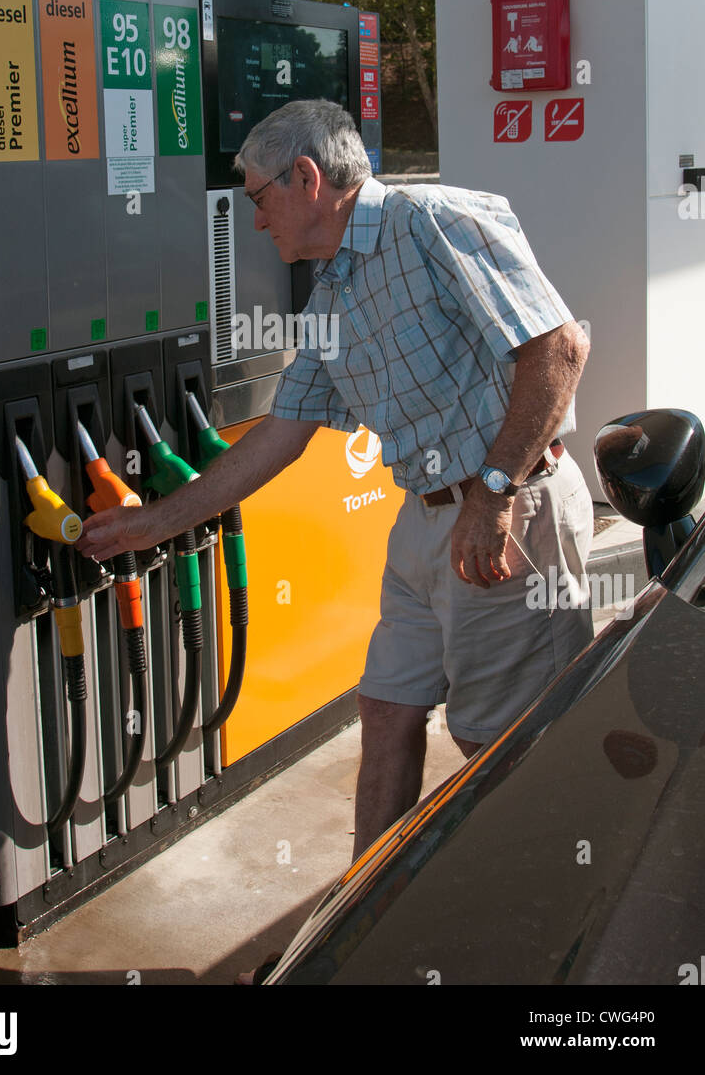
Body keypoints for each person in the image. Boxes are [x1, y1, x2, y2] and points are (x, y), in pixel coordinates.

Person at [77, 98, 594, 863]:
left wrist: (492, 492)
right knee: (387, 707)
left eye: (257, 197)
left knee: (502, 742)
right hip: (425, 523)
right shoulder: (334, 290)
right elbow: (279, 438)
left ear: (306, 177)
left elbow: (556, 349)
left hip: (507, 510)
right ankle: (360, 917)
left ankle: (534, 923)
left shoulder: (432, 219)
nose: (255, 222)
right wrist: (153, 524)